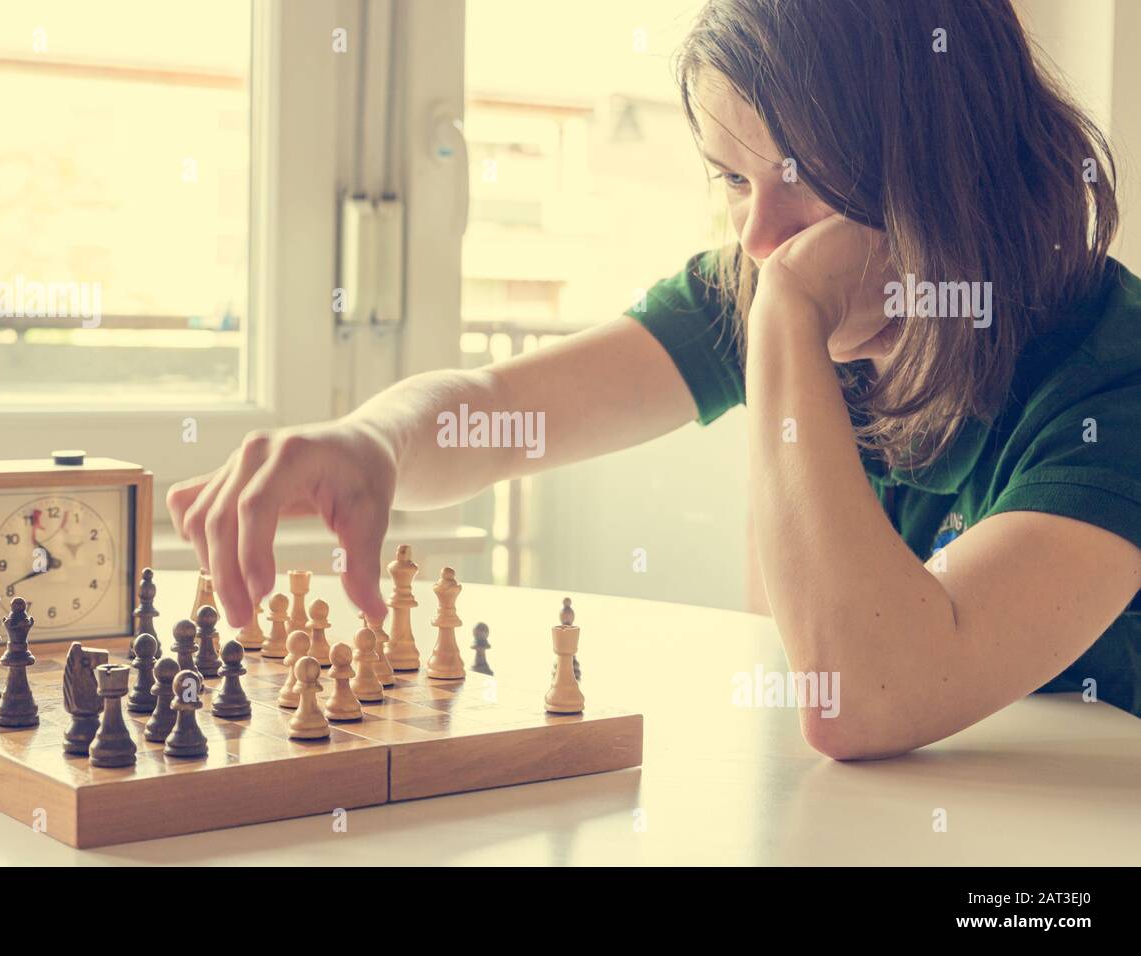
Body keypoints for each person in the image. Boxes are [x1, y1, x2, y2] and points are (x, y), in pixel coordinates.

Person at [169, 0, 1141, 759]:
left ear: (940, 164)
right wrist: (372, 444)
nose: (758, 239)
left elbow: (868, 695)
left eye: (802, 177)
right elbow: (501, 414)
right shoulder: (781, 288)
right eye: (729, 178)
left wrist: (785, 320)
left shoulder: (1112, 380)